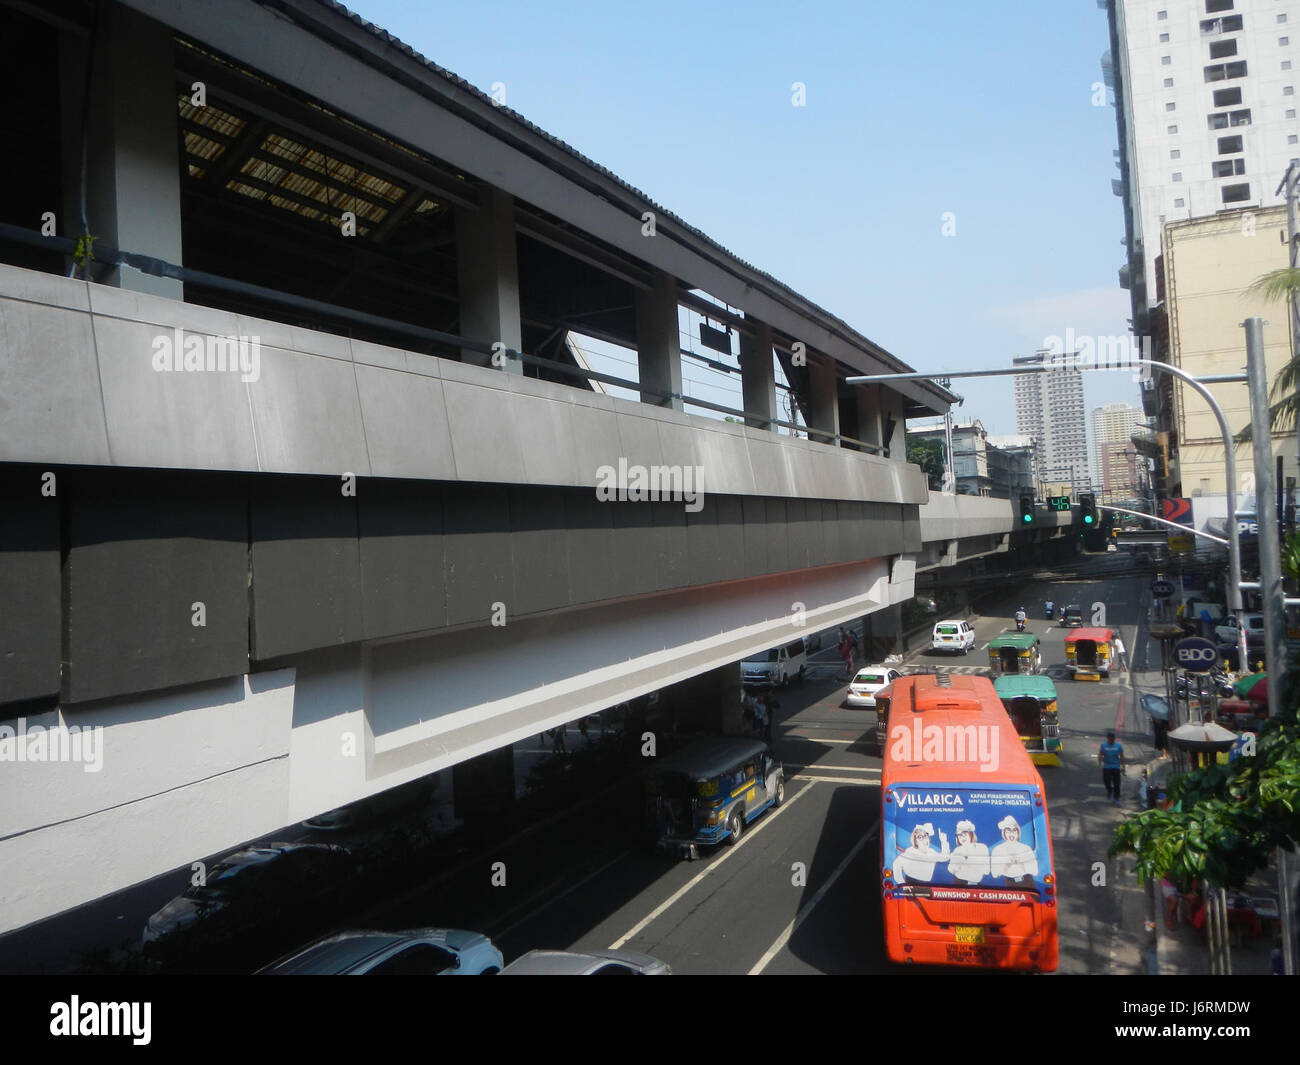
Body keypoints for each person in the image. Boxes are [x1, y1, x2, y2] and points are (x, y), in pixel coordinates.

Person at [989, 816, 1038, 886]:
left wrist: (1021, 864)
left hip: (1027, 882)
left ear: (1018, 832)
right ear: (1004, 833)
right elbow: (995, 873)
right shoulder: (998, 850)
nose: (1011, 833)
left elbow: (1034, 871)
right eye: (1008, 830)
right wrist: (1006, 865)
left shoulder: (1026, 848)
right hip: (1008, 883)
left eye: (1014, 830)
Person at [946, 820, 990, 885]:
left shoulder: (982, 848)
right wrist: (956, 866)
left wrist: (968, 860)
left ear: (971, 834)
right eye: (959, 835)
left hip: (976, 884)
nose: (962, 837)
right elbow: (950, 869)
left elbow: (987, 871)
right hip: (959, 883)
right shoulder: (957, 850)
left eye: (964, 834)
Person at [1098, 730, 1125, 804]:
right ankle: (1109, 791)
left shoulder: (1118, 746)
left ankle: (1116, 797)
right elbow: (1100, 755)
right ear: (1107, 739)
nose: (1111, 741)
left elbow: (1122, 756)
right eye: (1110, 740)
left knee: (1117, 783)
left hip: (1116, 766)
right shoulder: (1103, 745)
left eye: (1112, 740)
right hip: (1106, 766)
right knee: (1106, 781)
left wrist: (1123, 767)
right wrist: (1100, 764)